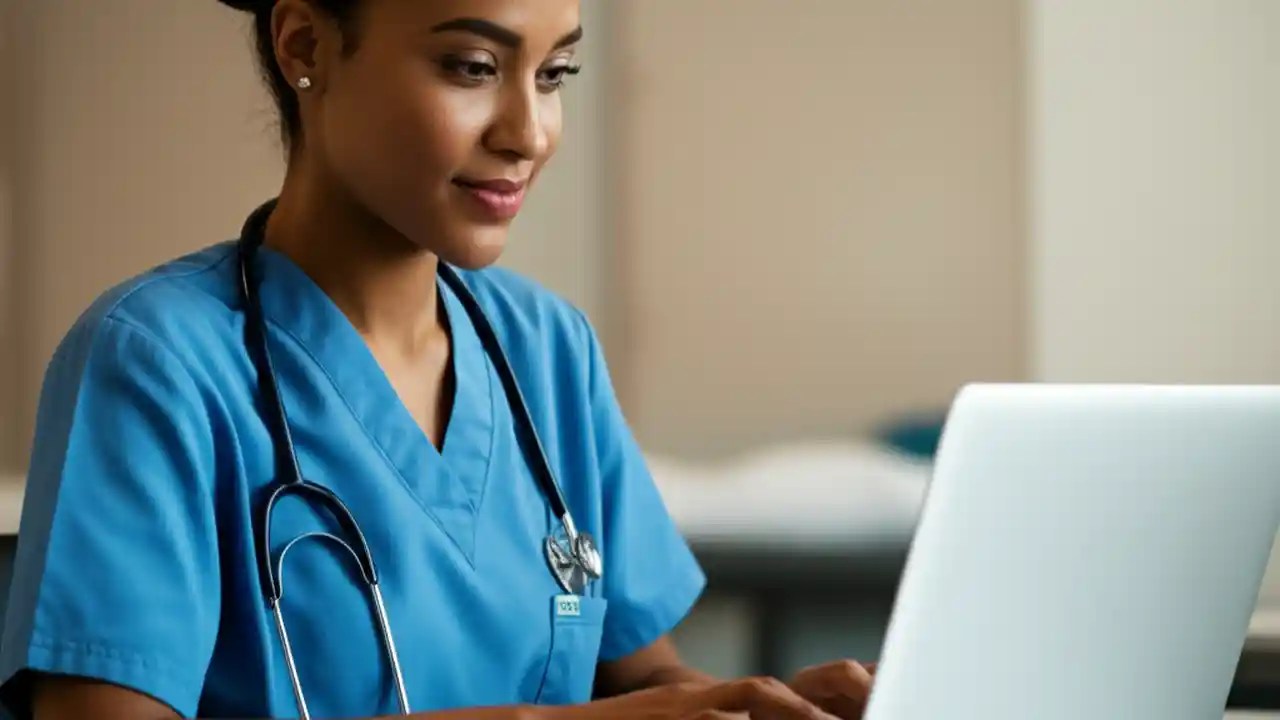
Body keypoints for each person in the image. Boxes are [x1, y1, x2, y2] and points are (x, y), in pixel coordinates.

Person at [0, 1, 876, 718]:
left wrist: (764, 708)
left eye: (554, 74)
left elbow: (643, 684)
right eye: (473, 67)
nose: (528, 132)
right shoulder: (157, 364)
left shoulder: (547, 350)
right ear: (306, 45)